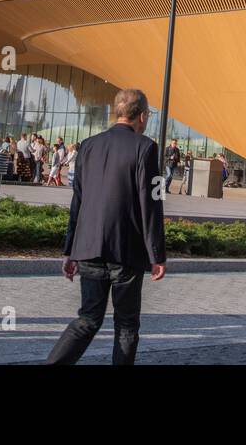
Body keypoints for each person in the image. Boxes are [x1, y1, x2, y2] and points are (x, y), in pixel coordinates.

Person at [46, 88, 165, 365]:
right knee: (126, 325)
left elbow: (79, 200)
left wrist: (70, 249)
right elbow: (152, 206)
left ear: (117, 112)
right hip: (125, 252)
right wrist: (157, 254)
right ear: (143, 116)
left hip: (88, 248)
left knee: (88, 319)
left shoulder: (88, 145)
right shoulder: (146, 148)